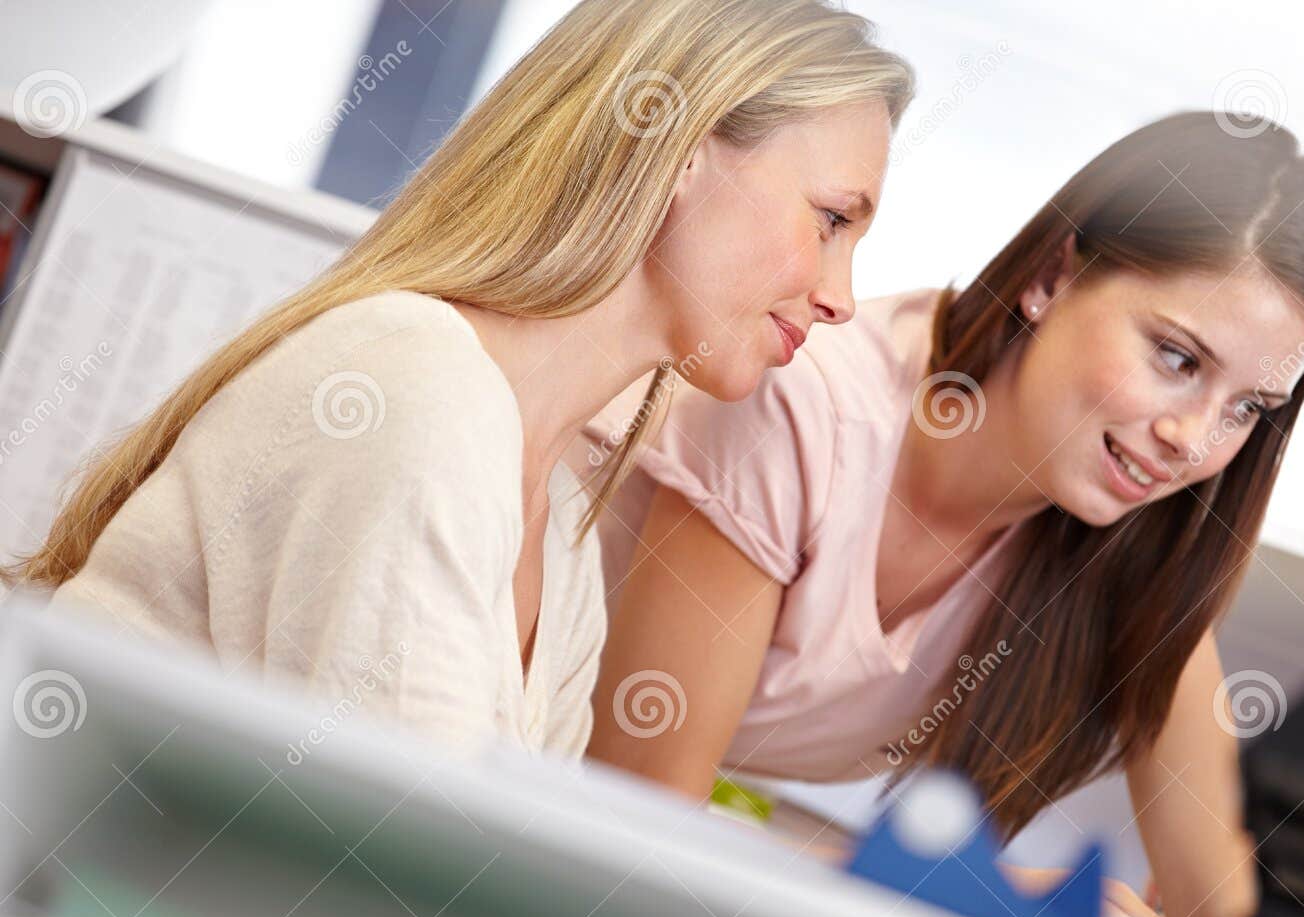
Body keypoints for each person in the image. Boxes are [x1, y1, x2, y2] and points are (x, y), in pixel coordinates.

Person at [1, 0, 913, 760]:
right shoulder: (417, 386)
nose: (842, 298)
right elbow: (402, 883)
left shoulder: (559, 531)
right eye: (832, 219)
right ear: (678, 146)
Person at [585, 110, 1304, 917]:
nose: (1195, 439)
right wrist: (993, 899)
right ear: (1054, 276)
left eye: (1247, 408)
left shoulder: (1123, 556)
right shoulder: (804, 409)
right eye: (1176, 358)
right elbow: (634, 821)